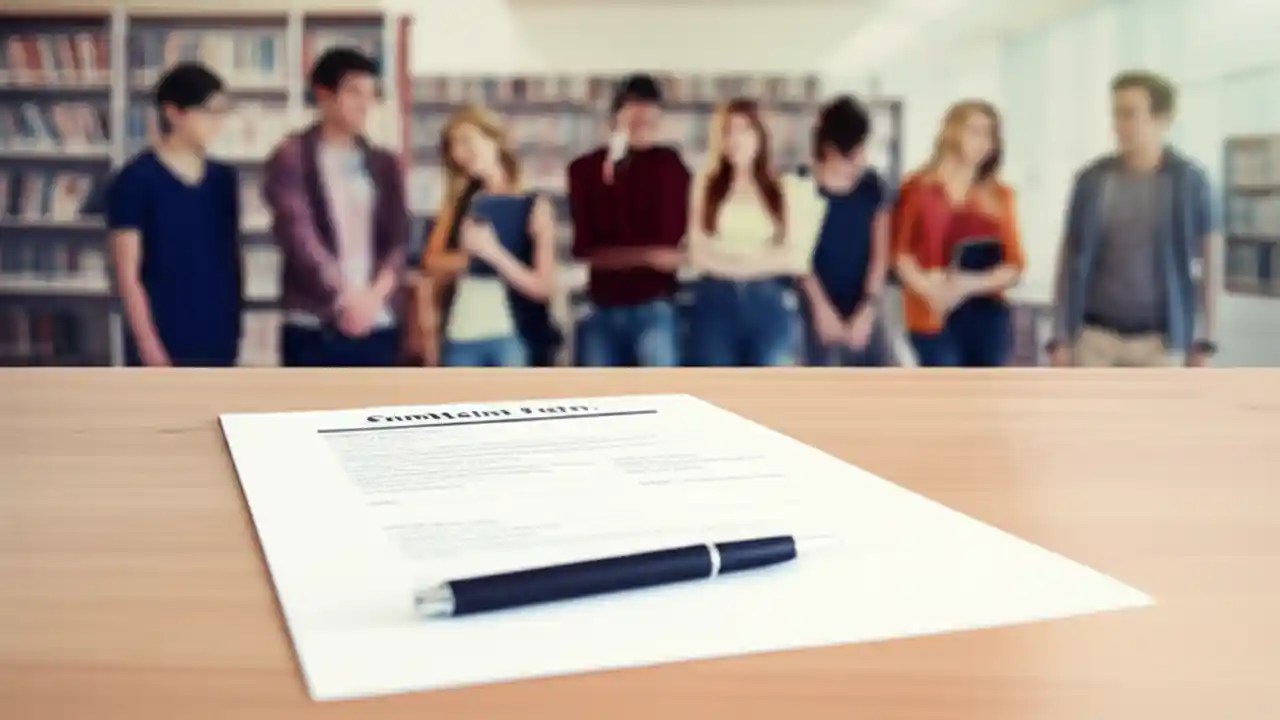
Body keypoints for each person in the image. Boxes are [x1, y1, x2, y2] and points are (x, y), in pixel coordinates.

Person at [1049, 71, 1220, 367]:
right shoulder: (1091, 180)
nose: (1118, 125)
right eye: (1115, 114)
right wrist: (1060, 336)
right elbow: (1067, 259)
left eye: (1129, 115)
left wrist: (1206, 339)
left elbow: (1211, 262)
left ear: (1162, 119)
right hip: (1094, 337)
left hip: (1160, 342)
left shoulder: (1191, 182)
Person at [264, 48, 407, 367]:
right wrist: (345, 297)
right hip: (314, 320)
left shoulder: (384, 162)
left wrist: (372, 299)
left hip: (378, 318)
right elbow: (297, 233)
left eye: (371, 94)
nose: (365, 103)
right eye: (354, 92)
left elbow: (399, 240)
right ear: (324, 95)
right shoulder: (292, 156)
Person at [108, 63, 242, 367]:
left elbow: (230, 260)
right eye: (209, 111)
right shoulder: (134, 179)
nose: (218, 122)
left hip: (219, 336)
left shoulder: (224, 179)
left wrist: (235, 331)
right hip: (162, 333)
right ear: (173, 112)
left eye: (223, 112)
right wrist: (148, 346)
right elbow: (128, 276)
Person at [413, 106, 558, 367]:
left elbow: (542, 287)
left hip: (512, 337)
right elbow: (431, 264)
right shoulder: (457, 204)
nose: (460, 153)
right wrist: (470, 260)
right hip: (460, 335)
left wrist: (493, 253)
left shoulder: (534, 206)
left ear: (495, 140)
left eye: (466, 140)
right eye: (453, 146)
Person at [567, 74, 689, 367]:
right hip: (601, 306)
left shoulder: (670, 166)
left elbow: (670, 241)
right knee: (599, 402)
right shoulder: (586, 170)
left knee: (660, 398)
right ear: (615, 117)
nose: (642, 119)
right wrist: (646, 256)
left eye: (649, 111)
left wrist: (631, 254)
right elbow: (586, 249)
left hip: (655, 305)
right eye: (633, 109)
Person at [893, 100, 1025, 367]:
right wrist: (933, 292)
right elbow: (900, 254)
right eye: (974, 131)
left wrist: (965, 285)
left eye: (990, 134)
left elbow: (1014, 265)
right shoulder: (917, 188)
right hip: (931, 315)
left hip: (985, 314)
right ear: (952, 132)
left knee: (985, 401)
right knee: (947, 394)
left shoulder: (1000, 196)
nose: (984, 142)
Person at [687, 98, 800, 366]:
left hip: (767, 302)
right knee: (717, 389)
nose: (736, 139)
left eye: (745, 130)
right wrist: (755, 262)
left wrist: (730, 263)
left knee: (768, 390)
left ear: (760, 136)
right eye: (729, 131)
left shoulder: (782, 187)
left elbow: (791, 256)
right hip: (715, 301)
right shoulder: (706, 184)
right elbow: (698, 253)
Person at [796, 96, 893, 367]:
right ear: (827, 148)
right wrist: (821, 310)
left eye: (862, 148)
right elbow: (798, 257)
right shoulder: (802, 184)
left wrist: (867, 310)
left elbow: (880, 256)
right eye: (851, 152)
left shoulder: (873, 187)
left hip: (864, 302)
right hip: (814, 303)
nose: (859, 158)